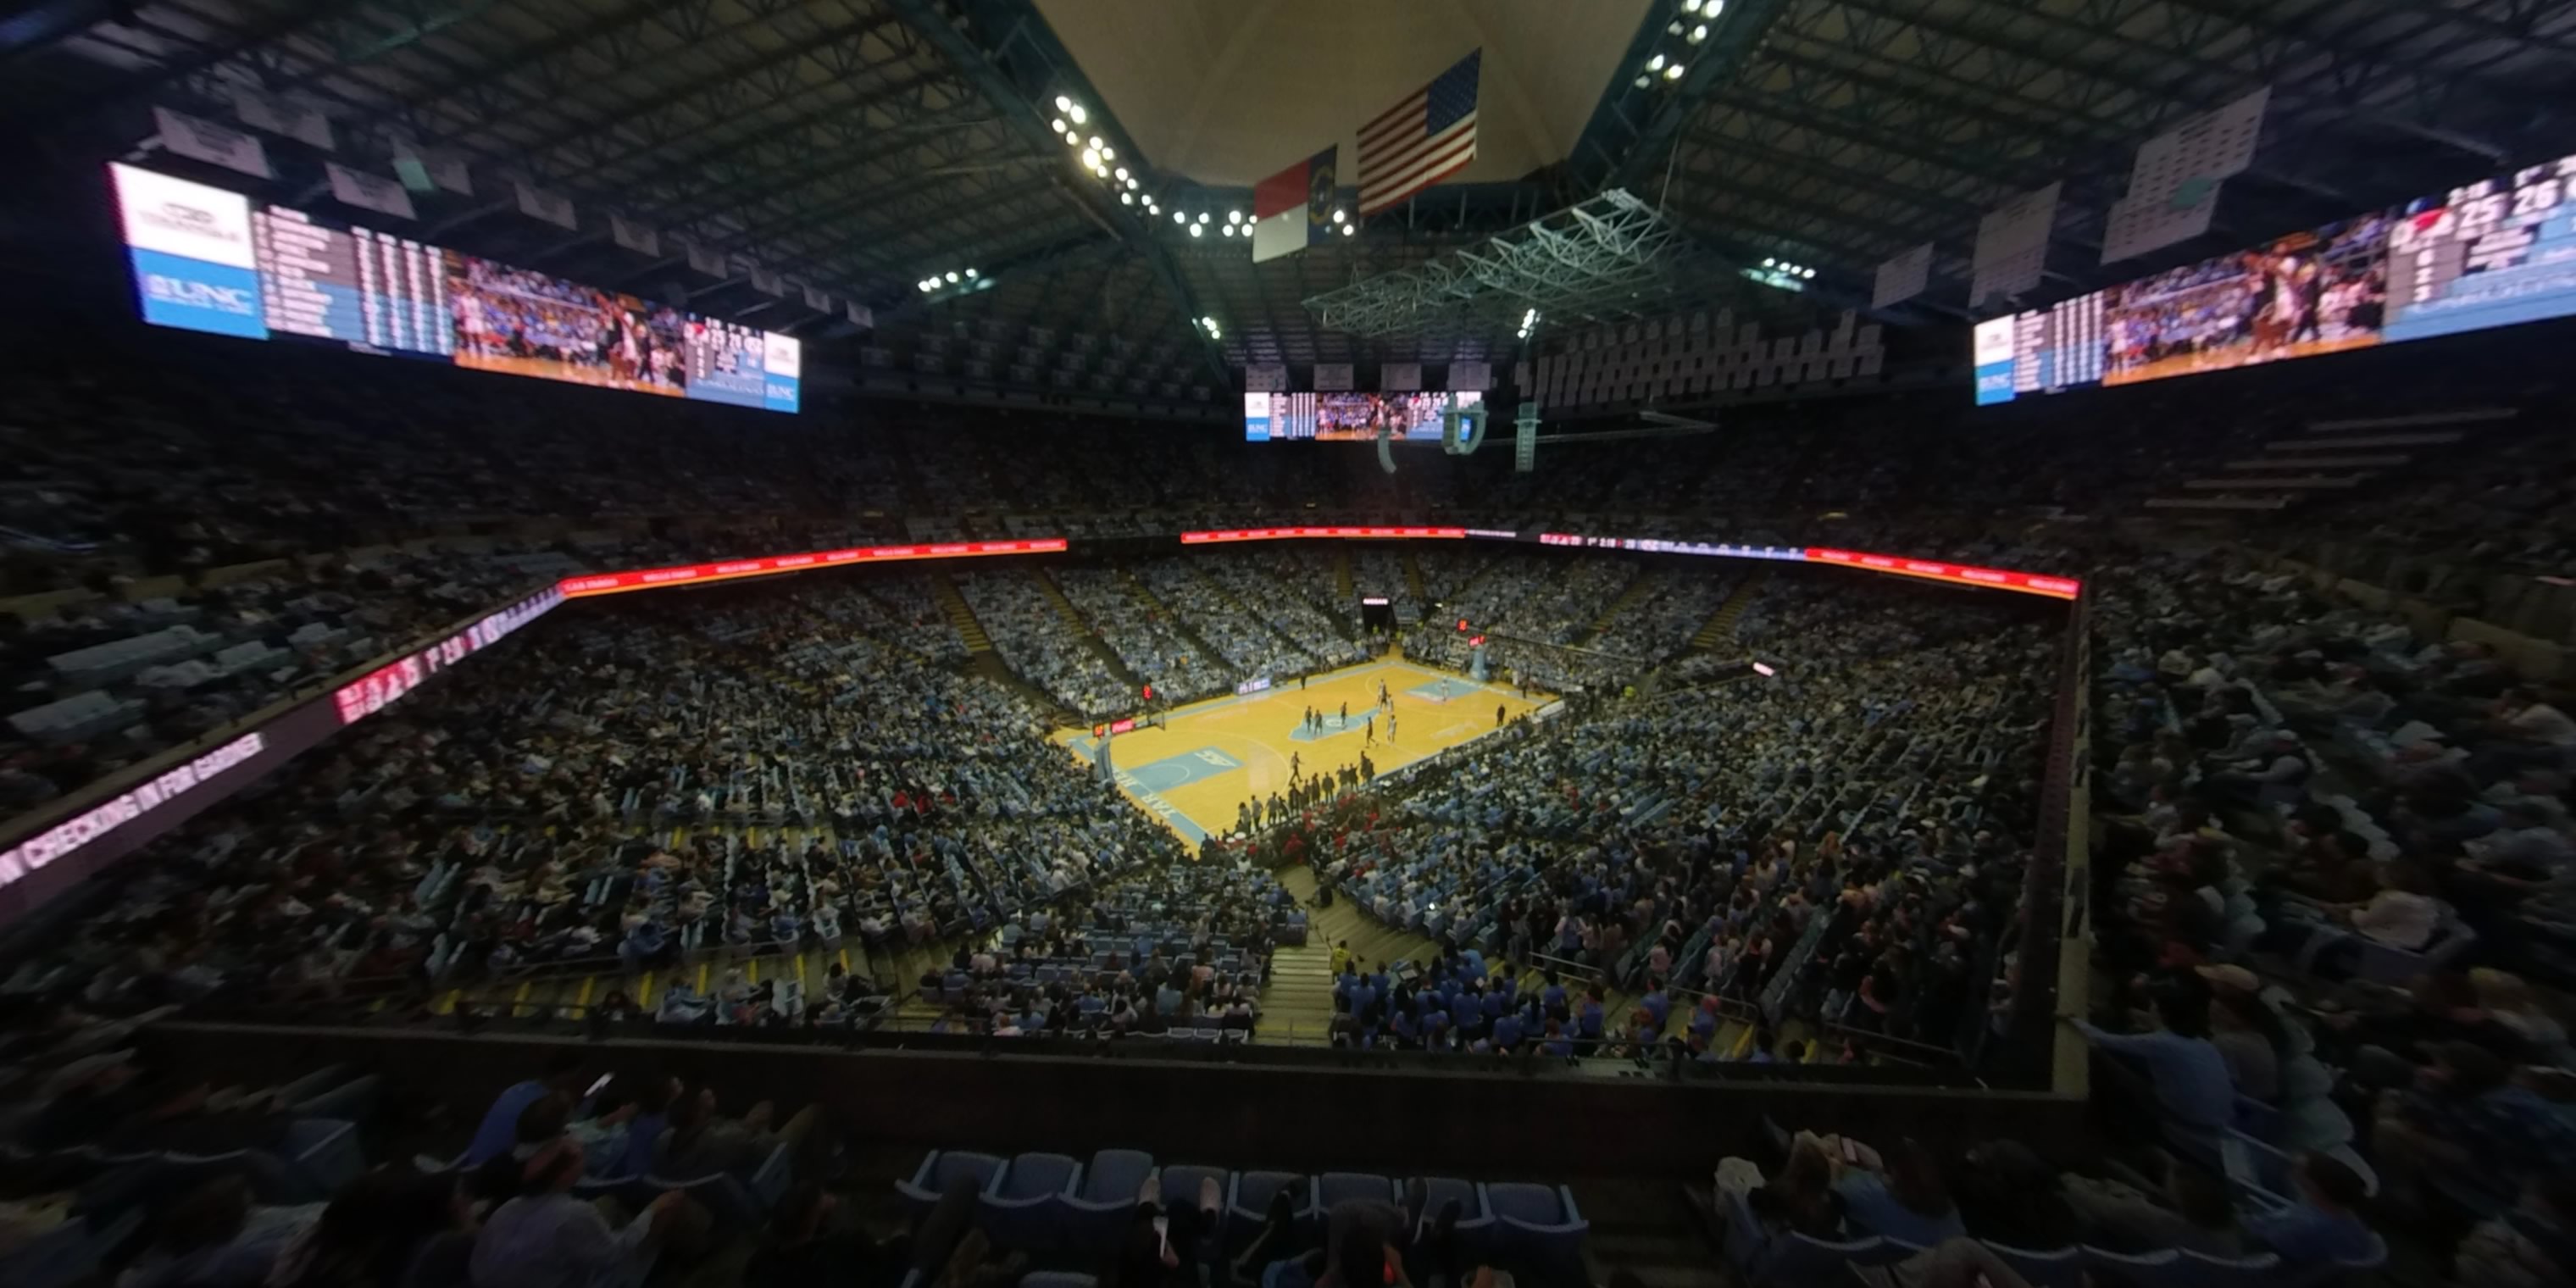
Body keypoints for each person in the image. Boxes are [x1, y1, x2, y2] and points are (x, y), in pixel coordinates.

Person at [469, 1136, 691, 1288]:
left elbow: (479, 1268)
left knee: (608, 1203)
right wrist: (652, 1209)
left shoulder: (506, 1209)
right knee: (668, 1207)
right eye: (580, 1156)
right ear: (563, 1175)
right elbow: (614, 1254)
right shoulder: (572, 1214)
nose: (584, 1158)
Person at [2240, 1152, 2376, 1269]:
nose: (2292, 1170)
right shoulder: (2349, 1218)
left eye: (2299, 1170)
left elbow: (2258, 1247)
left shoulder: (2305, 1228)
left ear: (2314, 1186)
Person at [465, 1052, 585, 1166]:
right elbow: (556, 1135)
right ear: (565, 1075)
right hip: (497, 1169)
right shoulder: (547, 1104)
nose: (575, 1081)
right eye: (575, 1076)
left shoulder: (517, 1089)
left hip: (476, 1158)